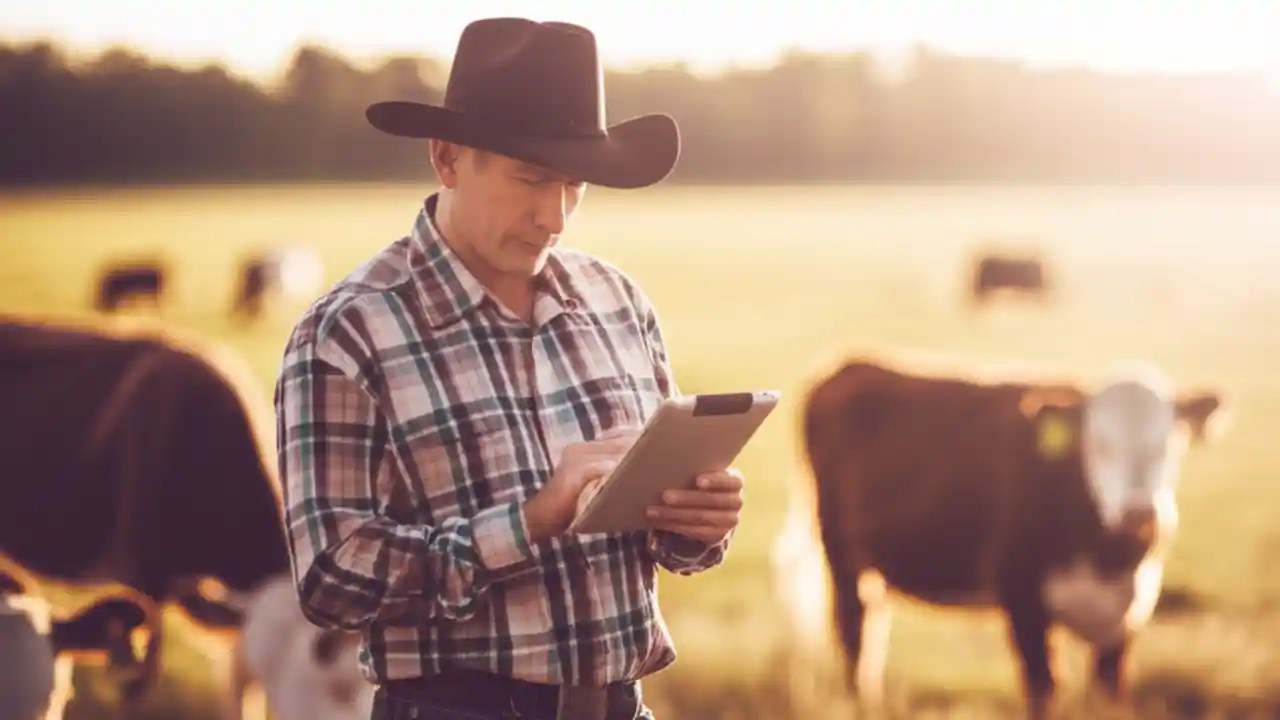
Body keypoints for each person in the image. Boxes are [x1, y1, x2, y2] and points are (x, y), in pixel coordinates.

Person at [274, 18, 745, 720]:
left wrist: (696, 524)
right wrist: (526, 523)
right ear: (447, 158)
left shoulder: (618, 303)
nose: (556, 217)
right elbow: (330, 578)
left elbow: (657, 535)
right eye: (533, 180)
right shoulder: (346, 333)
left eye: (576, 185)